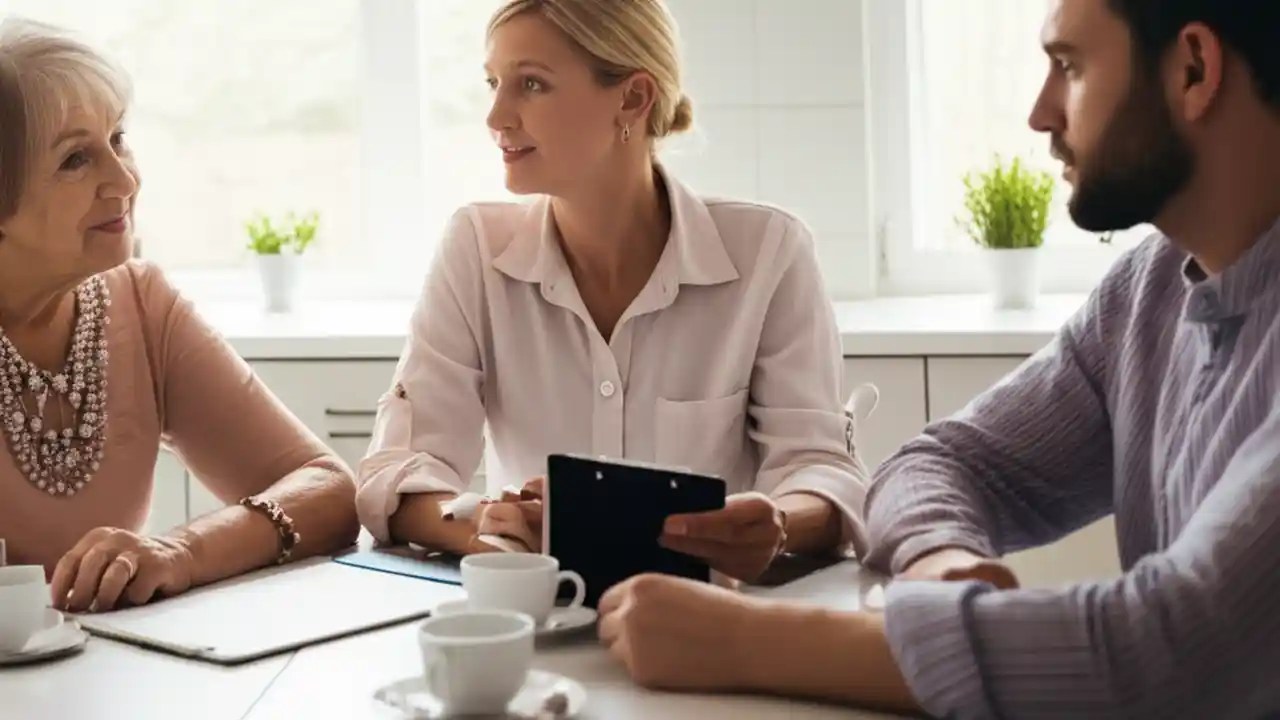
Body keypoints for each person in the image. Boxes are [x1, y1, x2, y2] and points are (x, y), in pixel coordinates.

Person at [595, 0, 1280, 717]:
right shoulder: (1147, 294)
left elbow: (1166, 653)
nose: (1041, 114)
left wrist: (740, 641)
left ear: (1194, 70)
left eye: (1070, 67)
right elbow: (941, 463)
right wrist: (941, 562)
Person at [355, 0, 869, 582]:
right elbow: (395, 472)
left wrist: (776, 522)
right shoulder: (475, 249)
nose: (496, 116)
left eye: (531, 84)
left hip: (712, 623)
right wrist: (485, 530)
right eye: (494, 83)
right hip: (538, 620)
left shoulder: (768, 252)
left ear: (632, 98)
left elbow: (824, 474)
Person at [0, 19, 360, 614]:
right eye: (75, 160)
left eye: (118, 139)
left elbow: (328, 490)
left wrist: (180, 552)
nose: (124, 180)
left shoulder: (139, 304)